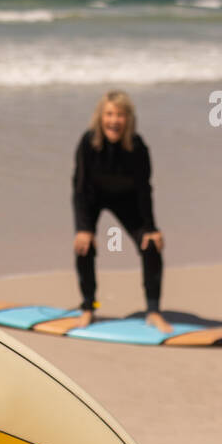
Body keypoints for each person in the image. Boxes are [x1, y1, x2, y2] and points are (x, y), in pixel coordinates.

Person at [70, 90, 171, 332]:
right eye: (109, 114)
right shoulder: (88, 143)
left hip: (127, 200)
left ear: (128, 119)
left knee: (151, 246)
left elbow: (144, 189)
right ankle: (88, 307)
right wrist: (83, 229)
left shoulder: (137, 147)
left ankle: (153, 311)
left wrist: (151, 228)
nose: (114, 120)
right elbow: (80, 188)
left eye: (120, 115)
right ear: (100, 117)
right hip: (93, 197)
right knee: (84, 246)